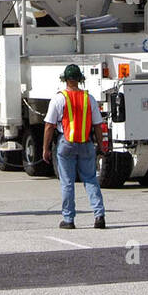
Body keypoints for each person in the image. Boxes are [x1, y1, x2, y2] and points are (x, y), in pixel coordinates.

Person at [43, 64, 107, 229]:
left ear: (65, 79)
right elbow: (98, 125)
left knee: (67, 182)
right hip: (86, 143)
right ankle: (99, 215)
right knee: (91, 179)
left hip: (66, 143)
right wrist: (101, 145)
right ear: (80, 79)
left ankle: (69, 219)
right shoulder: (89, 98)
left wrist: (46, 148)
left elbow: (49, 126)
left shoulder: (59, 98)